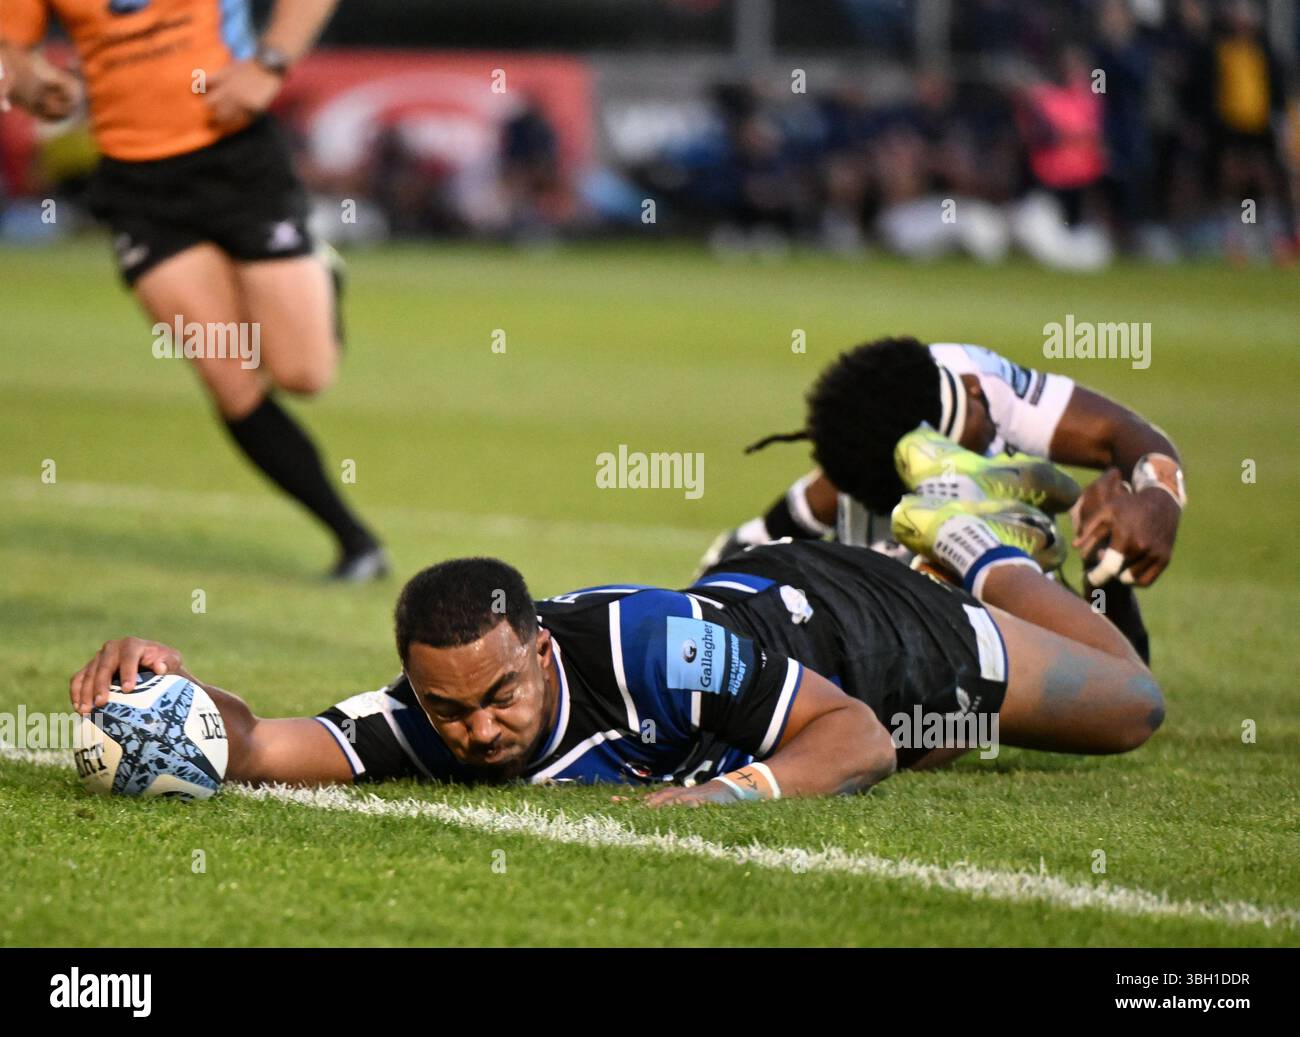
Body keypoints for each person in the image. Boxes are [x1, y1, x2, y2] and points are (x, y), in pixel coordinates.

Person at [68, 497, 1164, 807]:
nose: (478, 729)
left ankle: (970, 539)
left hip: (856, 626)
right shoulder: (428, 715)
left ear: (540, 647)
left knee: (1129, 703)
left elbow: (857, 736)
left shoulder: (650, 651)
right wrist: (170, 683)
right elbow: (258, 743)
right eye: (451, 711)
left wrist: (728, 794)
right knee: (948, 745)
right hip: (758, 619)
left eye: (499, 694)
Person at [0, 0, 387, 580]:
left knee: (304, 375)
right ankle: (355, 541)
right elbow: (11, 50)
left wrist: (271, 63)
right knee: (229, 378)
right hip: (135, 183)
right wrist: (34, 84)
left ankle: (320, 269)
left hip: (235, 156)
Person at [700, 336, 1187, 663]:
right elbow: (1120, 682)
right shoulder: (883, 521)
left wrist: (1158, 499)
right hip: (897, 620)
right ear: (930, 460)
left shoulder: (967, 380)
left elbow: (1122, 432)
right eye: (969, 407)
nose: (976, 389)